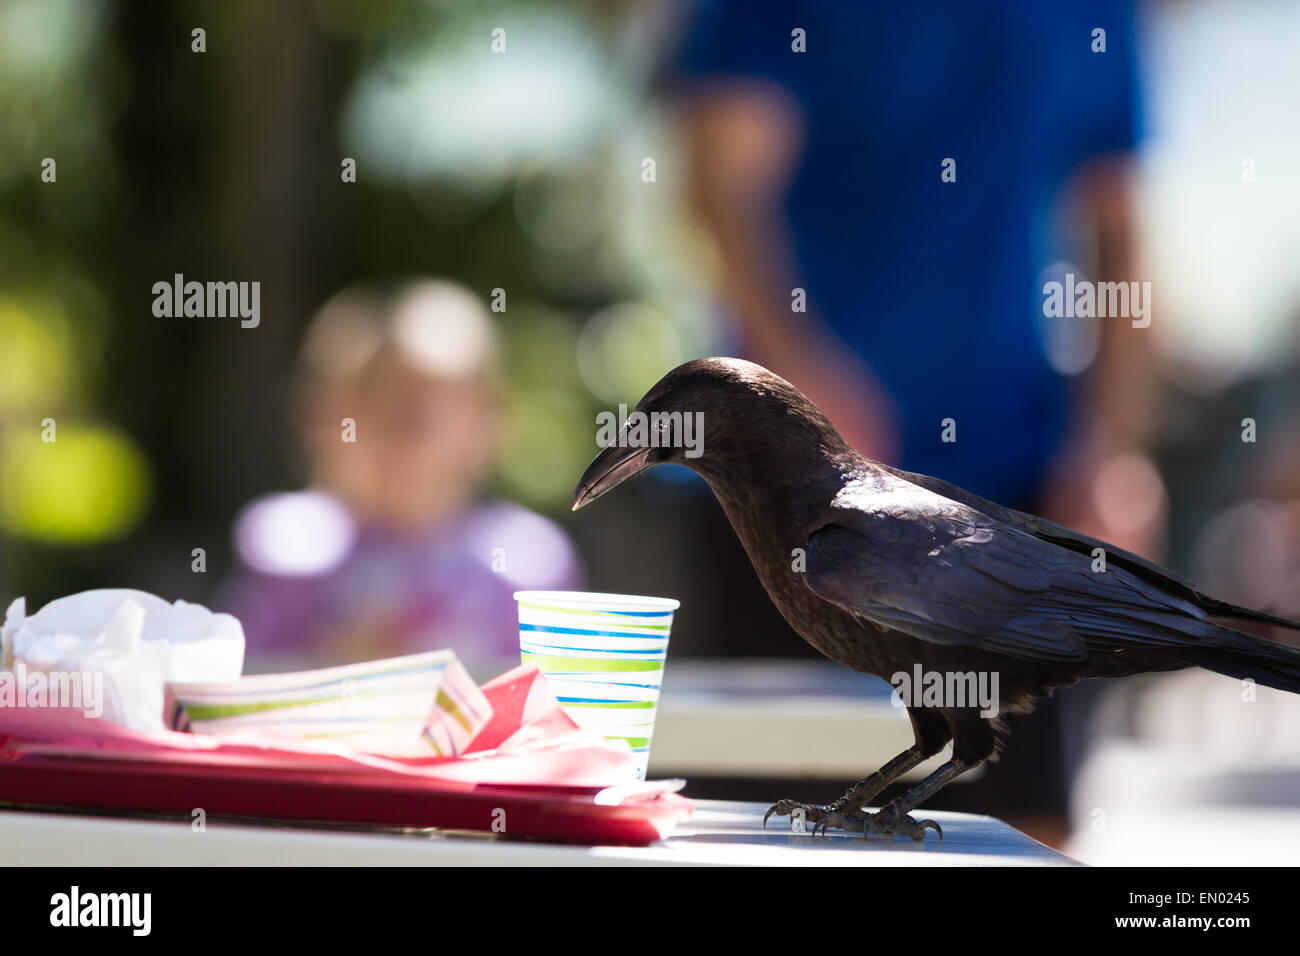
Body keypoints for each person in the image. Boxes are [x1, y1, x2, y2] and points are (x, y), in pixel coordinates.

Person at [673, 0, 1159, 844]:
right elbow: (720, 181)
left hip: (1010, 485)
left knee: (1022, 834)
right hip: (792, 499)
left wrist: (1111, 443)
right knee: (771, 835)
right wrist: (806, 374)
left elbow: (1116, 224)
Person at [219, 280, 583, 677]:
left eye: (427, 409)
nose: (405, 430)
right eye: (384, 398)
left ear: (487, 415)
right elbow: (236, 687)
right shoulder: (287, 549)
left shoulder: (530, 566)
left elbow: (560, 709)